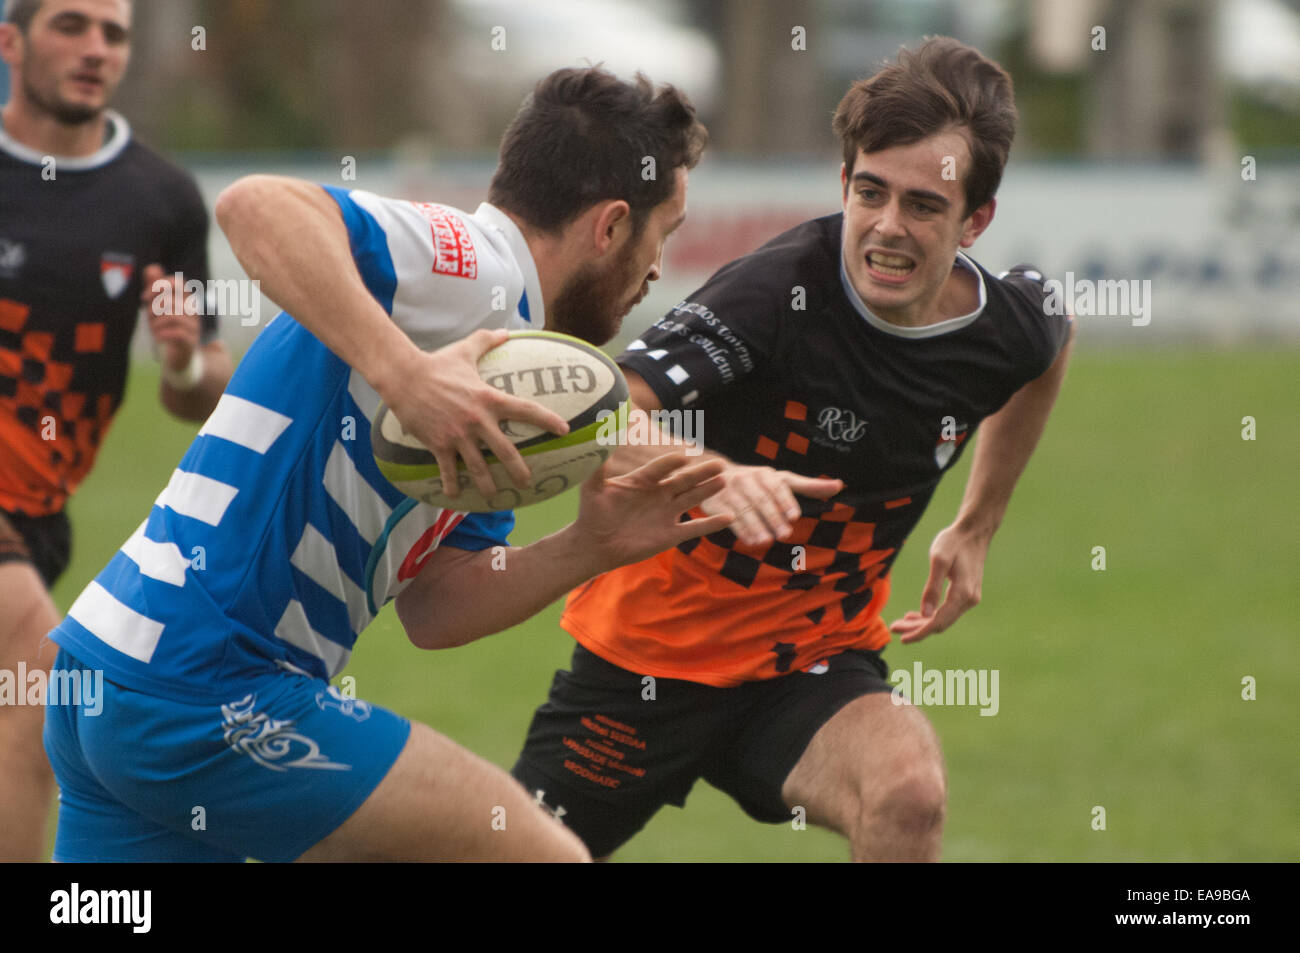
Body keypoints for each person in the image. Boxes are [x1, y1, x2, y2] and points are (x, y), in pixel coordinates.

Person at [41, 65, 724, 862]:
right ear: (610, 226)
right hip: (209, 686)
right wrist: (407, 375)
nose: (655, 272)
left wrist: (588, 545)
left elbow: (435, 609)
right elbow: (253, 206)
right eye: (662, 235)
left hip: (108, 678)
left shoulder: (506, 360)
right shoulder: (477, 267)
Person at [511, 37, 1076, 861]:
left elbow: (1049, 347)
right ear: (843, 183)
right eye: (871, 192)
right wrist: (714, 476)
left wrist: (978, 522)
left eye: (923, 205)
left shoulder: (1001, 326)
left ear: (975, 221)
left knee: (908, 793)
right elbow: (601, 403)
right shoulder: (774, 295)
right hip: (647, 664)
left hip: (813, 662)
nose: (887, 227)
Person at [0, 0, 232, 859]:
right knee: (35, 664)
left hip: (39, 513)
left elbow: (203, 383)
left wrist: (178, 361)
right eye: (71, 25)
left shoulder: (161, 200)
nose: (96, 48)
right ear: (10, 41)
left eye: (113, 33)